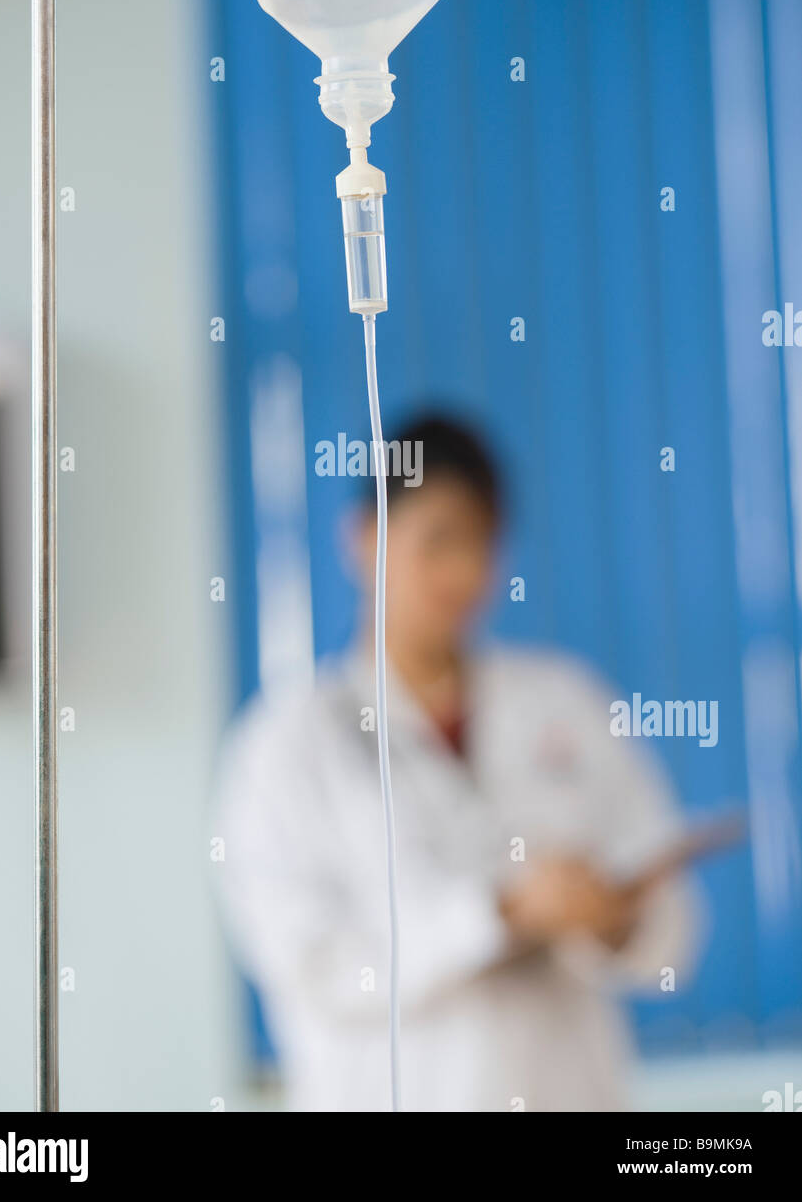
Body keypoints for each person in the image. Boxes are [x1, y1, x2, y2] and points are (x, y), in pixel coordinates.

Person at [212, 415, 699, 1112]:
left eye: (481, 543)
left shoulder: (566, 702)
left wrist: (610, 919)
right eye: (437, 540)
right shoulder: (286, 748)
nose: (463, 572)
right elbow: (315, 967)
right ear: (366, 539)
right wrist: (498, 914)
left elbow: (670, 920)